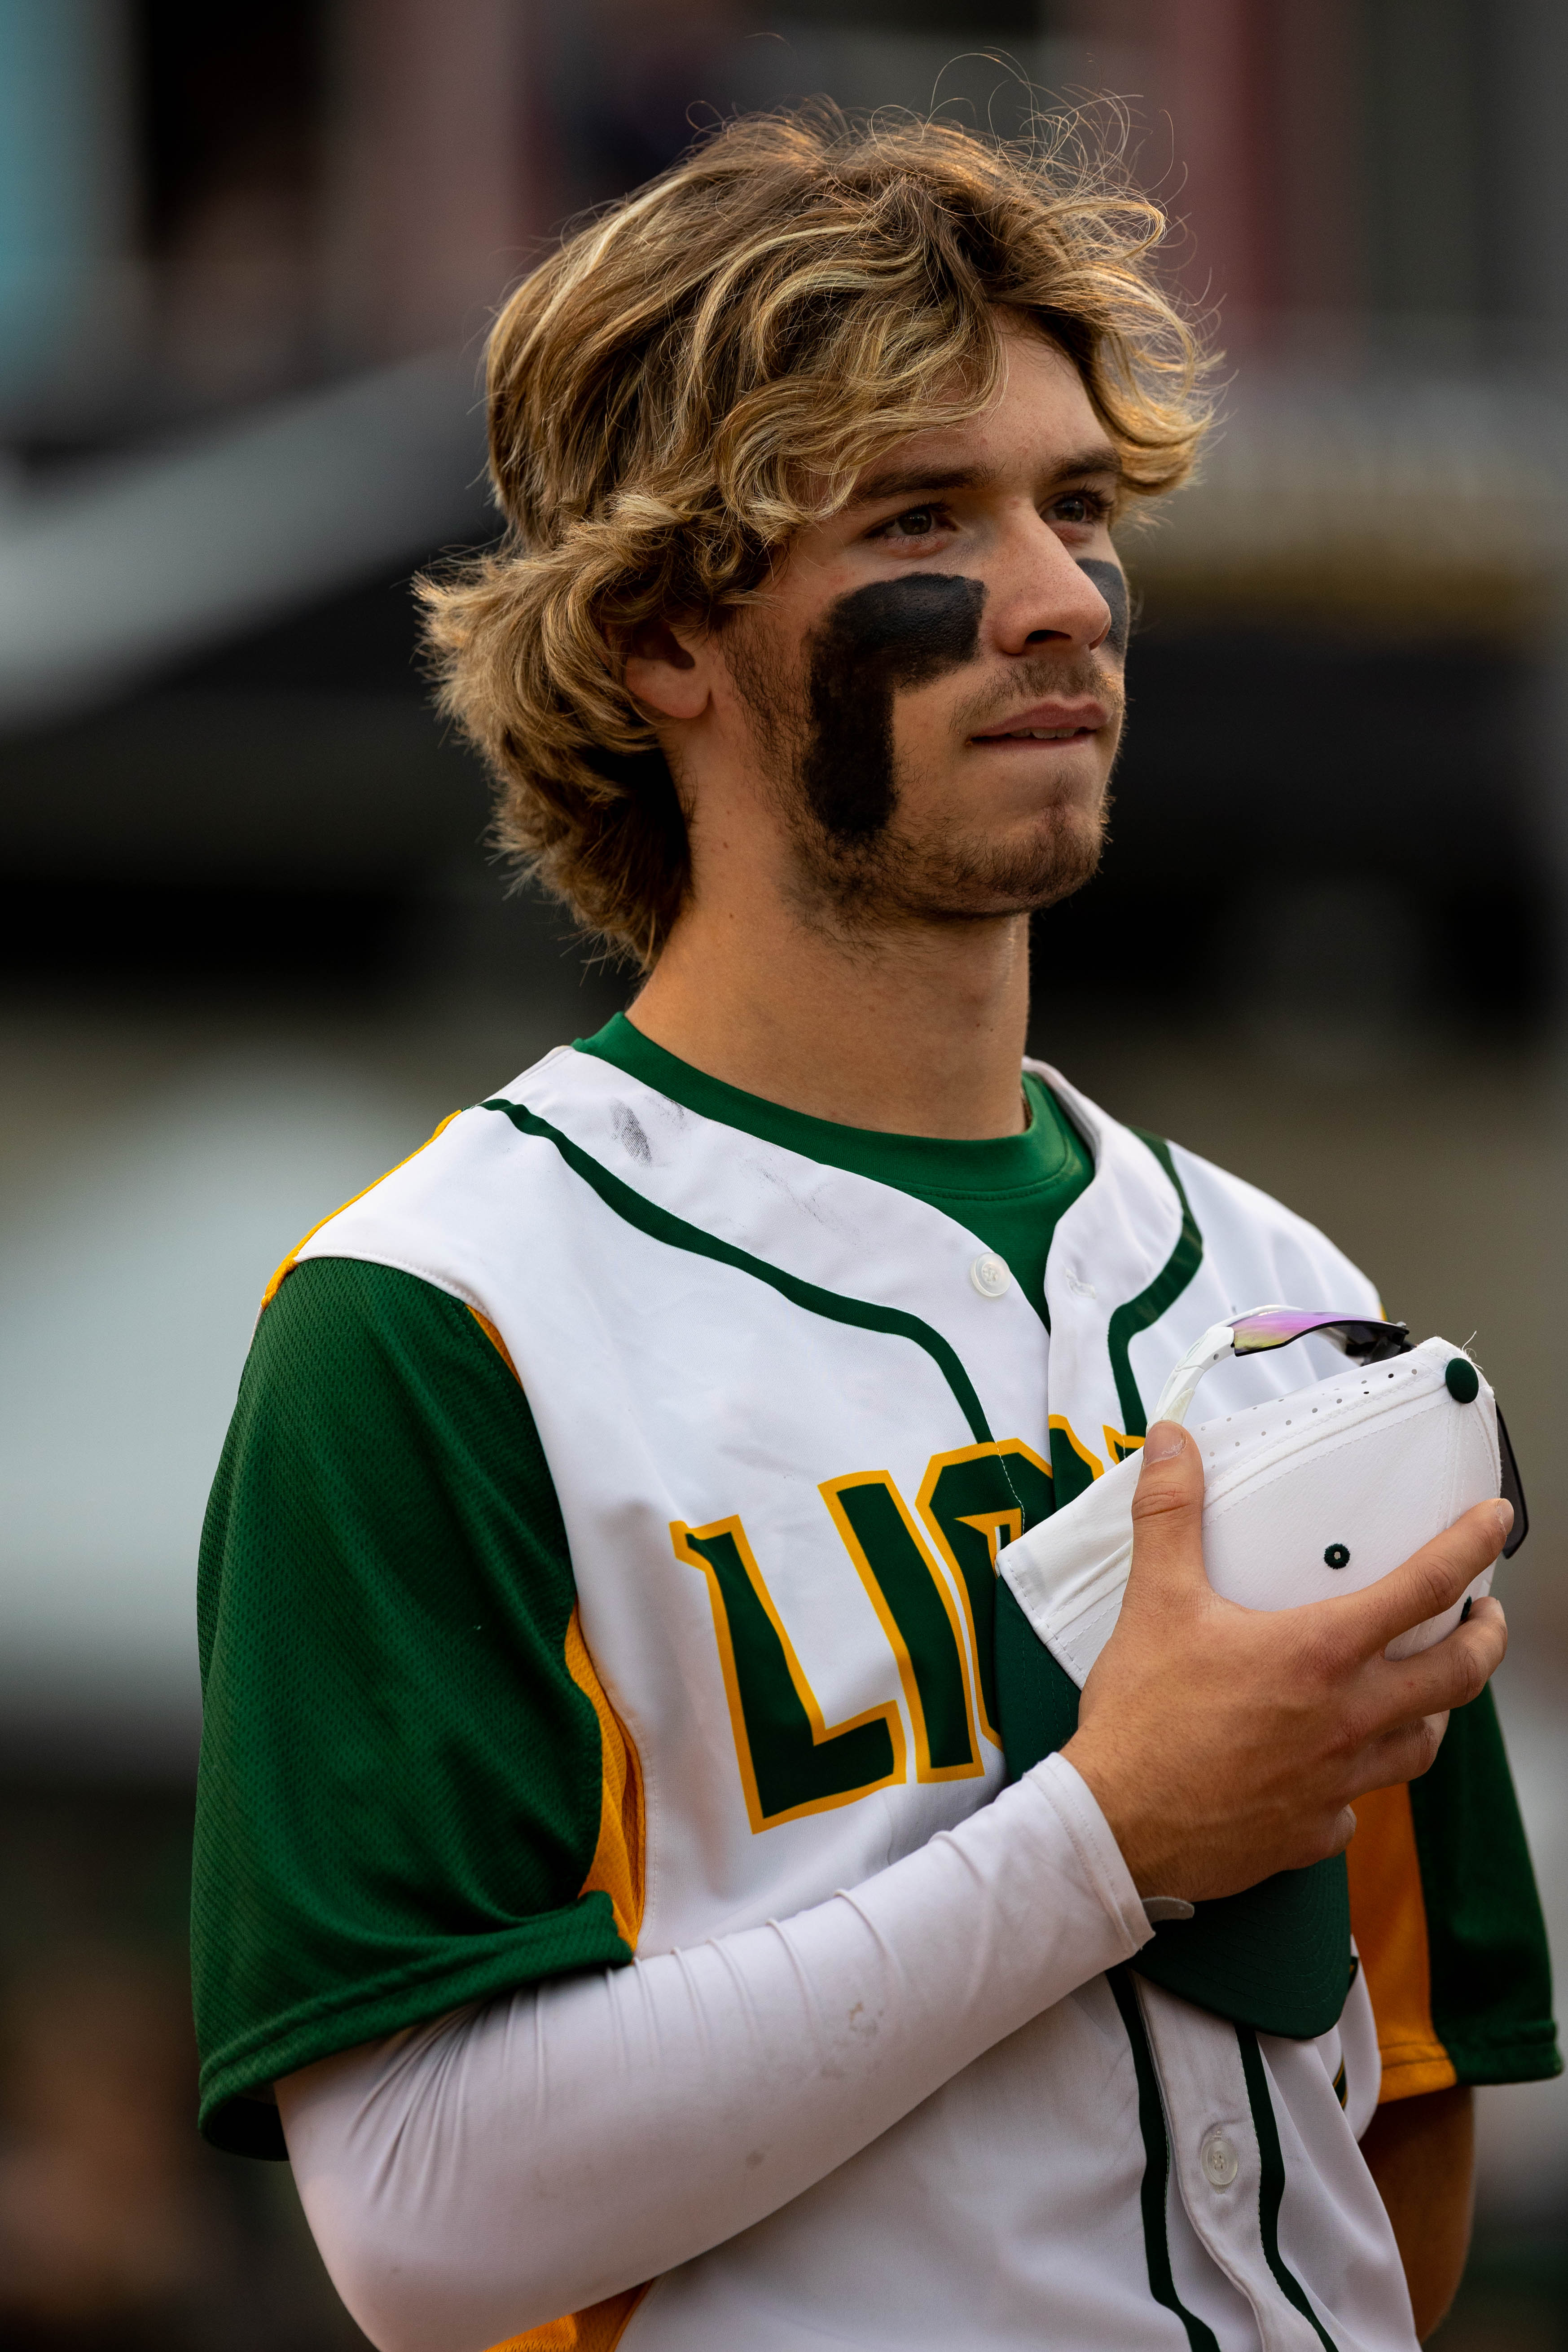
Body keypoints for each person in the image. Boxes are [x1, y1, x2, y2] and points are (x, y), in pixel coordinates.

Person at [191, 110, 1557, 2352]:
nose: (1054, 595)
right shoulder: (434, 1320)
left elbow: (1391, 2099)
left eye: (1077, 505)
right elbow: (424, 2225)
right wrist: (1106, 1836)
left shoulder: (1282, 1286)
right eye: (925, 513)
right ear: (658, 639)